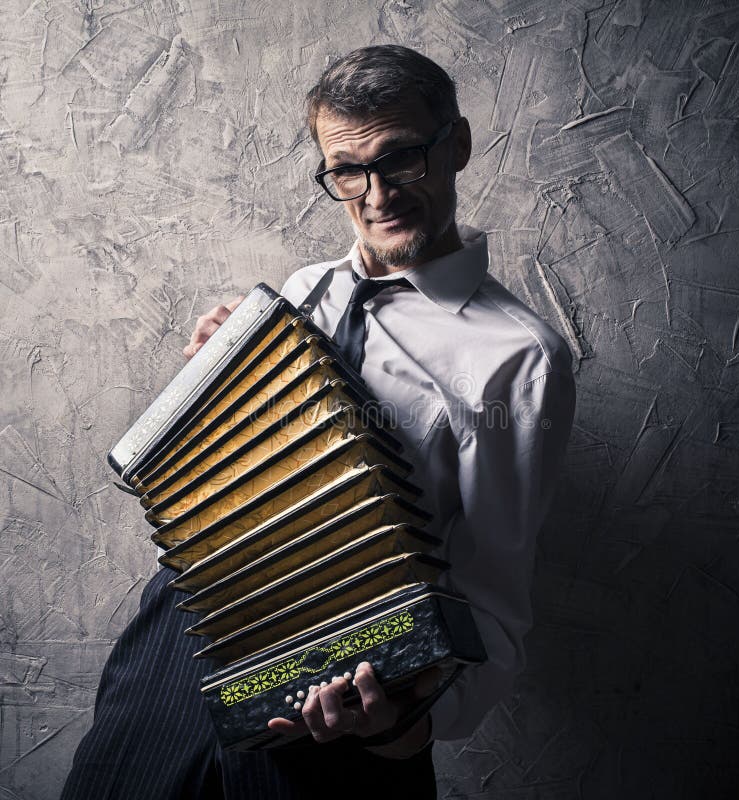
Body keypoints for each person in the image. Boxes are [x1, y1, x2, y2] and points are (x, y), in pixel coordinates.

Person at [62, 45, 575, 799]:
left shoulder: (520, 357)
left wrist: (402, 728)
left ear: (457, 145)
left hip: (347, 701)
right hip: (179, 646)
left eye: (402, 159)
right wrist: (212, 381)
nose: (377, 194)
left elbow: (493, 601)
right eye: (347, 172)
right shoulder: (301, 291)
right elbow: (217, 483)